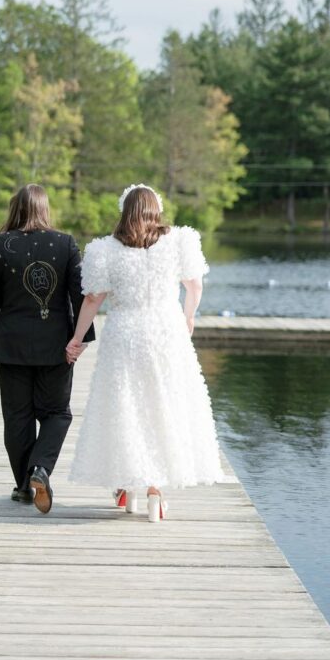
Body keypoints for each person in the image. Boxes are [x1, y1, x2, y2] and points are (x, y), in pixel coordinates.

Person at [65, 183, 226, 523]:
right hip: (166, 331)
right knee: (162, 406)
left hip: (125, 334)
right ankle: (155, 491)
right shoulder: (179, 242)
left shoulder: (106, 250)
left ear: (124, 211)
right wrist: (189, 316)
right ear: (157, 210)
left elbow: (93, 298)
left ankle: (128, 488)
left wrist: (76, 339)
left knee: (127, 407)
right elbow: (194, 284)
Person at [0, 183, 95, 514]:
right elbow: (80, 293)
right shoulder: (65, 243)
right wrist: (80, 339)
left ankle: (23, 485)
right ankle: (41, 469)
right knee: (57, 412)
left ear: (15, 208)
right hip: (56, 344)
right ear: (45, 209)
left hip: (11, 343)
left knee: (17, 417)